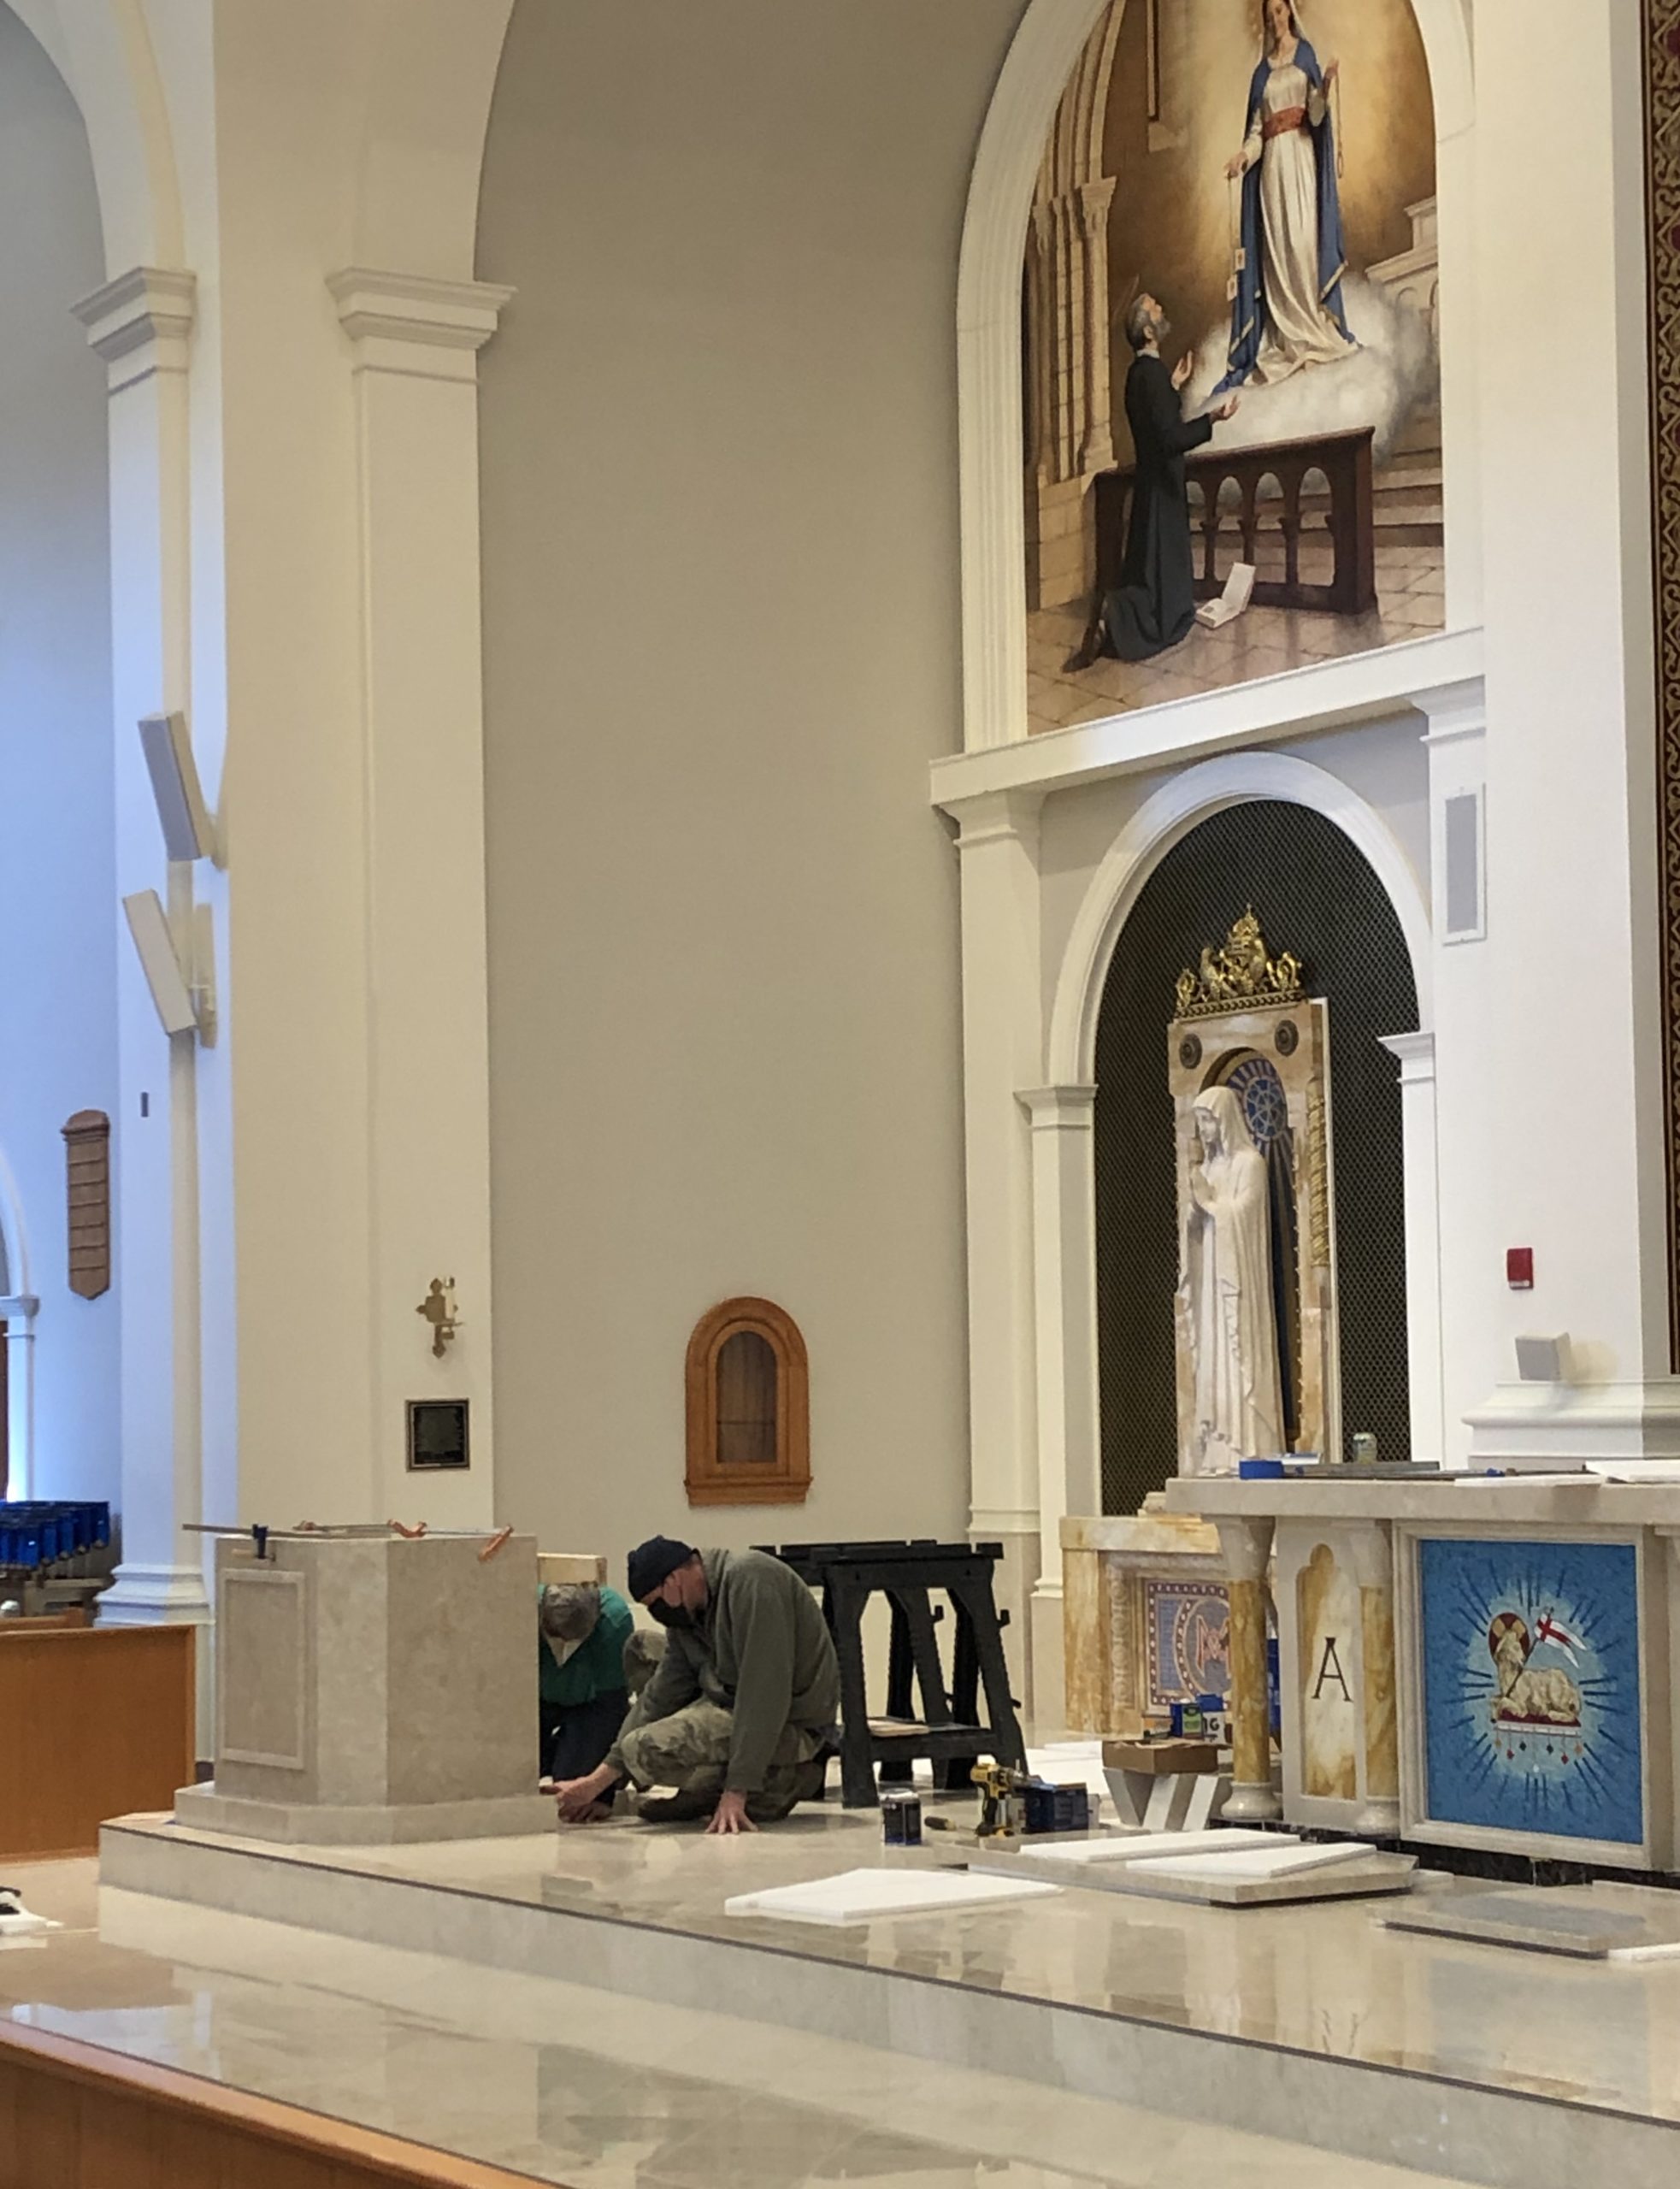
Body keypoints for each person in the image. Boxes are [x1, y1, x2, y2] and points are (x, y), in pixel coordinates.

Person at [554, 1537, 840, 1835]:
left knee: (644, 1748)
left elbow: (763, 1696)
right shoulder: (689, 1613)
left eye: (656, 1603)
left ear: (675, 1579)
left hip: (790, 1722)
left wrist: (737, 1791)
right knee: (641, 1650)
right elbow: (659, 1696)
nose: (658, 1613)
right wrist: (599, 1784)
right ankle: (706, 1791)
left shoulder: (752, 1580)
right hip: (725, 1696)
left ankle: (781, 1781)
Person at [1069, 293, 1239, 669]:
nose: (1162, 310)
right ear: (1148, 330)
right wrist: (1214, 419)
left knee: (1153, 567)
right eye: (1155, 309)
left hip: (1153, 483)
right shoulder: (1151, 375)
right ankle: (1117, 614)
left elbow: (1157, 423)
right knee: (1159, 576)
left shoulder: (1141, 374)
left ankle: (1118, 615)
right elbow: (1170, 438)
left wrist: (1173, 387)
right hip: (1162, 486)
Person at [1217, 0, 1356, 391]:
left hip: (1300, 163)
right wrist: (1243, 157)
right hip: (1272, 173)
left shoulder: (1305, 55)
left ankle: (1312, 327)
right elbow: (1257, 132)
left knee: (1301, 244)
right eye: (1269, 14)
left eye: (1279, 11)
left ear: (1290, 12)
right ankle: (1288, 339)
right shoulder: (1261, 74)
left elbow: (1314, 116)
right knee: (1277, 251)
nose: (1275, 19)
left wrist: (1325, 83)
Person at [1182, 1085, 1285, 1472]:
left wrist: (1211, 1206)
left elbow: (1246, 1213)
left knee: (1237, 1354)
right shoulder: (1209, 1168)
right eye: (1199, 1121)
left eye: (1207, 1120)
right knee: (1213, 1358)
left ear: (1224, 1119)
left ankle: (1247, 1443)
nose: (1203, 1129)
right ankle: (1217, 1446)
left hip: (1239, 1282)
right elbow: (1196, 1227)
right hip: (1212, 1281)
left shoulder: (1250, 1163)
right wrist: (1196, 1209)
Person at [538, 1580, 634, 1791]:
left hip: (590, 1704)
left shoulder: (615, 1622)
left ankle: (623, 1771)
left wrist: (600, 1791)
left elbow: (610, 1704)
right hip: (536, 1700)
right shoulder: (523, 1608)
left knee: (572, 1779)